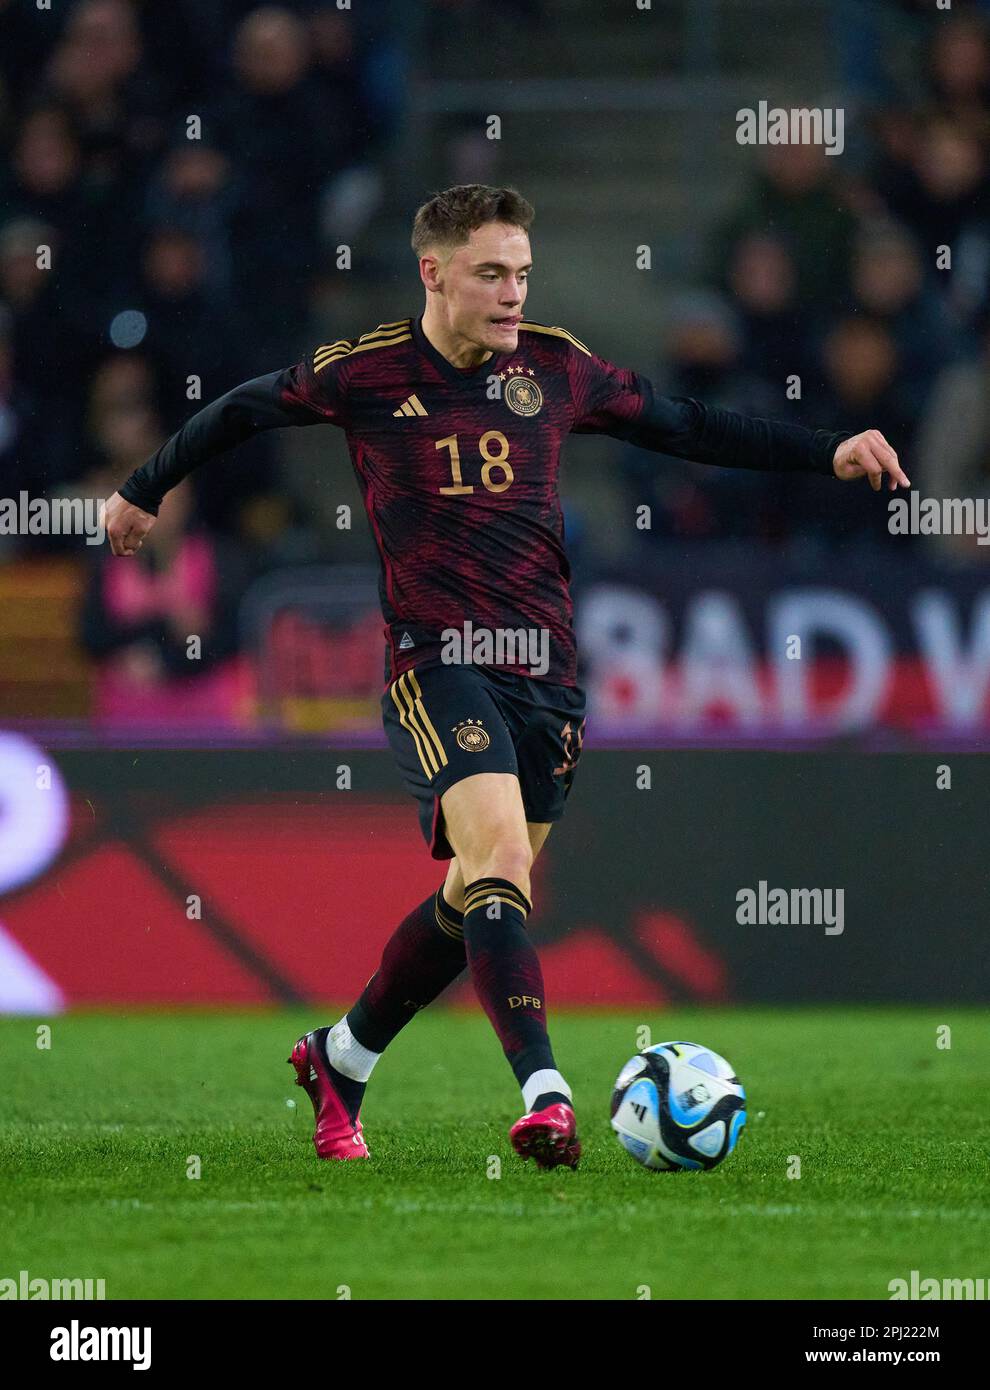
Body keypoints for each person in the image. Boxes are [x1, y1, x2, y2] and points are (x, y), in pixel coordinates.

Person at [102, 184, 908, 1170]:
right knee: (498, 860)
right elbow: (238, 411)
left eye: (521, 273)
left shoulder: (559, 369)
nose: (512, 292)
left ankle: (340, 1057)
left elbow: (688, 424)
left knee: (475, 892)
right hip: (436, 664)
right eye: (491, 273)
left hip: (548, 678)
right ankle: (547, 1093)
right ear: (435, 273)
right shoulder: (365, 372)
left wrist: (830, 451)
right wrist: (145, 487)